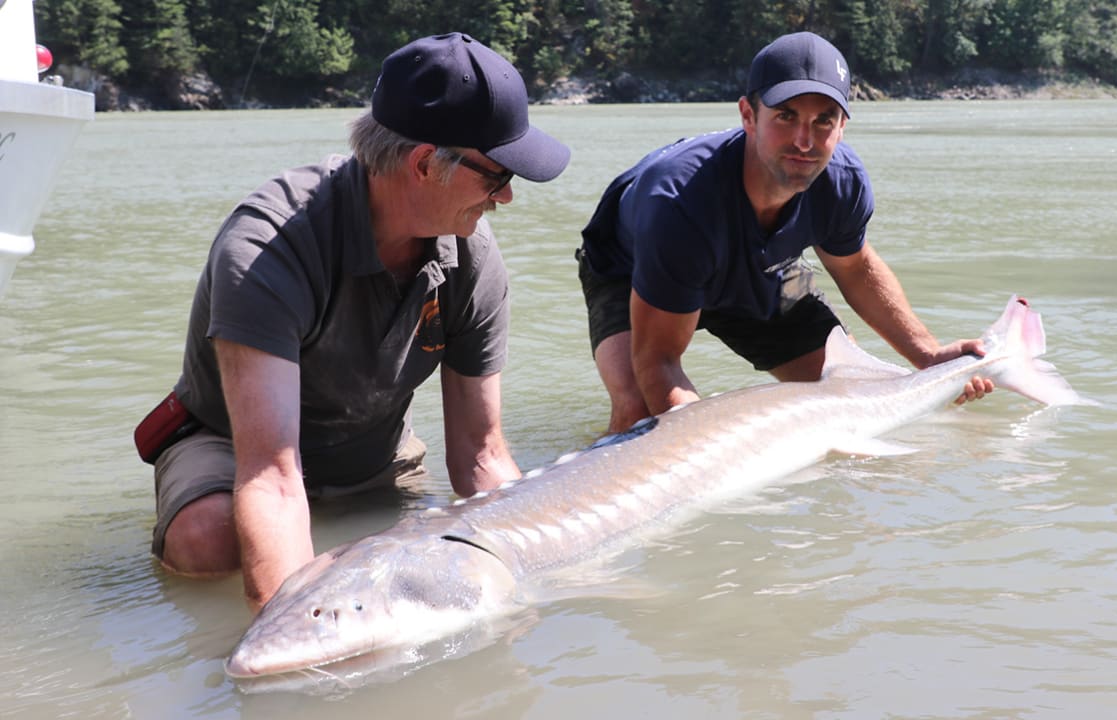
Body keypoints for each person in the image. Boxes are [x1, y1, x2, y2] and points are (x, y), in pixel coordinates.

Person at [134, 32, 570, 612]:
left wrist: (535, 586)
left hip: (373, 458)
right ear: (423, 164)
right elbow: (272, 478)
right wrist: (292, 646)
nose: (507, 197)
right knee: (207, 539)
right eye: (496, 177)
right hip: (237, 447)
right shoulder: (267, 246)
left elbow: (480, 455)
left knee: (430, 559)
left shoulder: (472, 255)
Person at [576, 31, 993, 434]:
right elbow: (658, 361)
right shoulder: (678, 201)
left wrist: (929, 355)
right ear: (747, 115)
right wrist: (712, 450)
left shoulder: (842, 182)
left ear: (843, 126)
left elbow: (856, 269)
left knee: (846, 397)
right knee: (639, 414)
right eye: (786, 116)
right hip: (629, 269)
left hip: (763, 267)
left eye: (823, 121)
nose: (804, 141)